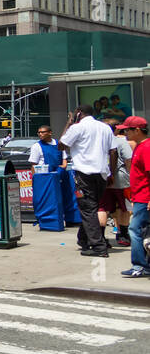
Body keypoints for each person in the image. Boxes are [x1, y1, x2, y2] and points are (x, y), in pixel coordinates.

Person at [59, 104, 117, 257]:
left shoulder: (77, 128)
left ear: (79, 113)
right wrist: (112, 173)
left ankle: (98, 247)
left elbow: (61, 145)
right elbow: (113, 151)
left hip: (84, 174)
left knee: (87, 209)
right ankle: (83, 239)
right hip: (102, 174)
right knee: (92, 207)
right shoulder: (104, 127)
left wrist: (69, 123)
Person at [121, 117, 150, 278]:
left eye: (127, 129)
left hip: (144, 198)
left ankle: (140, 265)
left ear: (137, 130)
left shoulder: (146, 147)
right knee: (143, 231)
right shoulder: (140, 146)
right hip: (140, 196)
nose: (124, 132)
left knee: (134, 229)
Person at [105, 117, 133, 247]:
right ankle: (123, 234)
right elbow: (128, 160)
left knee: (105, 208)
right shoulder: (121, 142)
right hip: (121, 180)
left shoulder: (99, 142)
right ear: (115, 129)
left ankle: (101, 237)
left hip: (103, 180)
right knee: (124, 208)